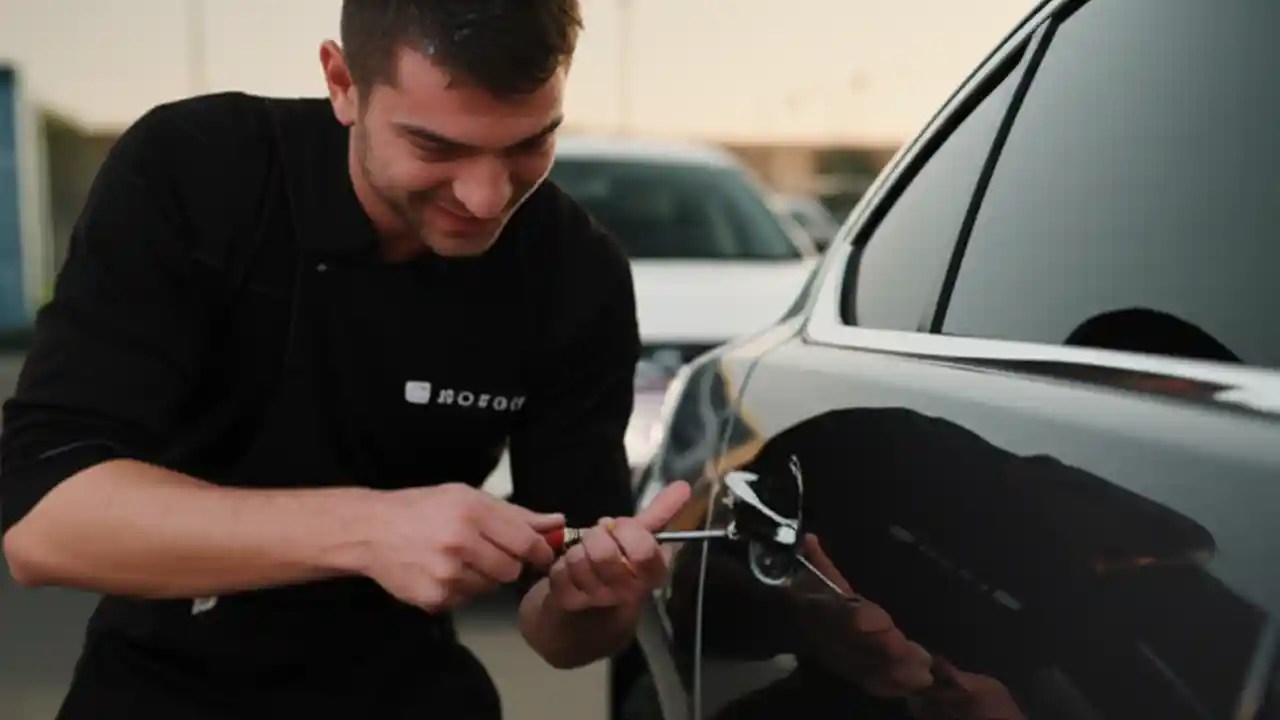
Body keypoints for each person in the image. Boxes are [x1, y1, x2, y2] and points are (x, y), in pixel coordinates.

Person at [0, 1, 692, 717]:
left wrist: (601, 600)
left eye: (530, 145)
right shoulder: (199, 171)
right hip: (159, 684)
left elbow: (564, 638)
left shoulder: (575, 271)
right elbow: (45, 522)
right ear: (342, 82)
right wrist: (372, 530)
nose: (486, 199)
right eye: (434, 148)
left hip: (409, 690)